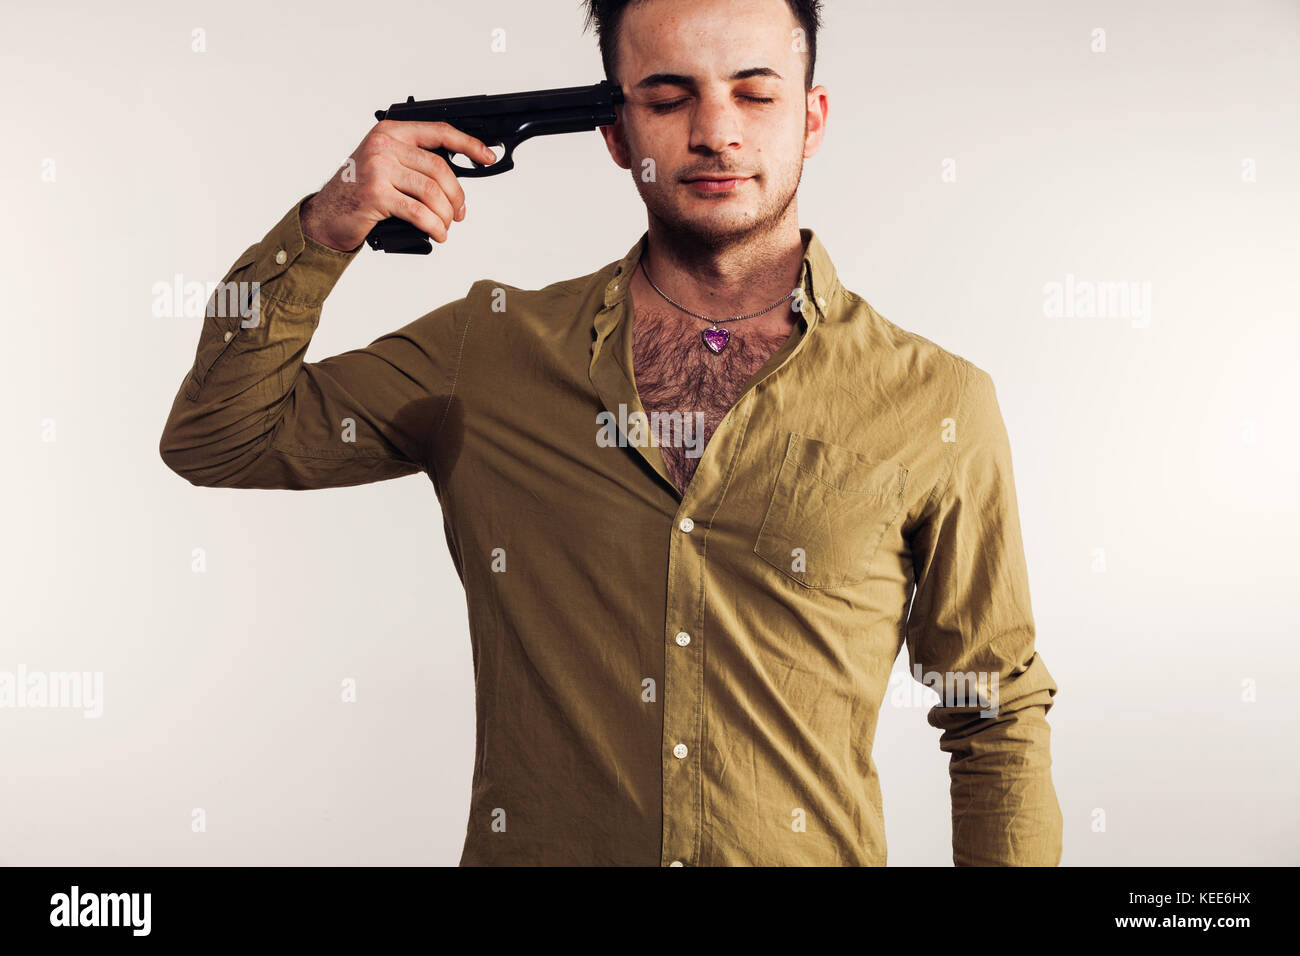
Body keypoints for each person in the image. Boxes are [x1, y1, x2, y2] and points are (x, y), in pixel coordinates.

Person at [159, 0, 1063, 866]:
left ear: (812, 118)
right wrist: (323, 227)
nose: (716, 131)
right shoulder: (490, 348)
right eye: (669, 98)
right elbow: (217, 436)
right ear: (617, 134)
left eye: (755, 93)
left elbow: (993, 716)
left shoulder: (938, 403)